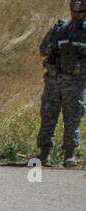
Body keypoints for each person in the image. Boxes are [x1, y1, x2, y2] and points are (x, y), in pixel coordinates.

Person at [37, 0, 86, 167]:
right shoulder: (60, 27)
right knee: (48, 116)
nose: (75, 14)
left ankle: (69, 155)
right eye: (73, 10)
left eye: (79, 12)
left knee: (73, 117)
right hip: (54, 79)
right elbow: (42, 49)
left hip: (76, 81)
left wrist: (80, 48)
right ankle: (44, 154)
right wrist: (55, 47)